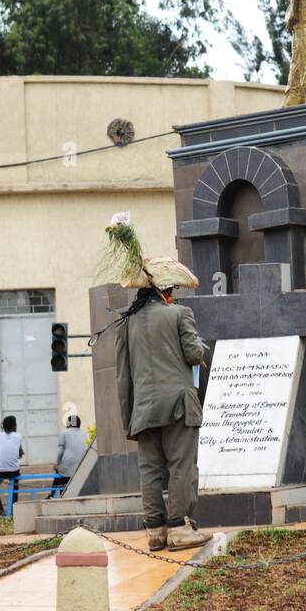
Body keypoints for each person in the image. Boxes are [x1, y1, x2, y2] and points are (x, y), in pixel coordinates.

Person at [106, 215, 212, 553]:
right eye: (172, 288)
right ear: (164, 288)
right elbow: (194, 354)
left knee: (150, 469)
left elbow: (123, 376)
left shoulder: (126, 325)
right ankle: (180, 528)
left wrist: (129, 421)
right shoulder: (179, 314)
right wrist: (200, 346)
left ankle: (155, 531)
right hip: (179, 404)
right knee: (181, 465)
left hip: (143, 409)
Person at [0, 415, 24, 516]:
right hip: (14, 471)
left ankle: (1, 509)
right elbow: (19, 454)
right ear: (14, 426)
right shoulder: (18, 436)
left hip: (0, 472)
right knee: (15, 485)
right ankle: (13, 509)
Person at [49, 415, 87, 498]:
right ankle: (52, 494)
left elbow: (60, 452)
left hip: (68, 469)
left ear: (70, 423)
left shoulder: (64, 433)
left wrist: (57, 465)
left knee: (59, 473)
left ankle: (52, 494)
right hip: (80, 468)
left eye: (67, 421)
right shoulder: (85, 434)